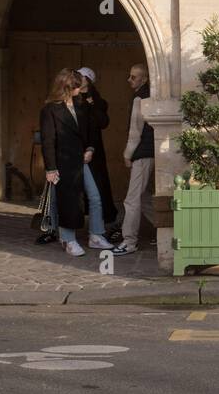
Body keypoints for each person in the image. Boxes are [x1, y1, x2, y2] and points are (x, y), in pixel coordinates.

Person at [40, 68, 113, 257]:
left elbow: (89, 131)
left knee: (95, 197)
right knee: (68, 201)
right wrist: (50, 168)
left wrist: (90, 148)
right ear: (67, 87)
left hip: (82, 160)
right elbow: (48, 140)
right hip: (63, 162)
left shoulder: (80, 105)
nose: (80, 90)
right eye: (76, 87)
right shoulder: (50, 110)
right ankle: (68, 239)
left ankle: (96, 235)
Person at [112, 63, 154, 256]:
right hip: (150, 151)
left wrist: (127, 154)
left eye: (133, 77)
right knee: (144, 198)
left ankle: (129, 241)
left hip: (143, 153)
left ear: (144, 79)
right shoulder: (151, 94)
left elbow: (135, 131)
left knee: (132, 199)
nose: (129, 80)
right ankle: (165, 230)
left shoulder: (139, 98)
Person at [76, 66, 120, 241]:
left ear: (88, 80)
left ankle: (102, 221)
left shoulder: (98, 101)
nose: (78, 78)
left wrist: (91, 106)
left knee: (97, 185)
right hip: (75, 147)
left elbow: (103, 122)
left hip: (93, 148)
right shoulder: (72, 97)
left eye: (81, 76)